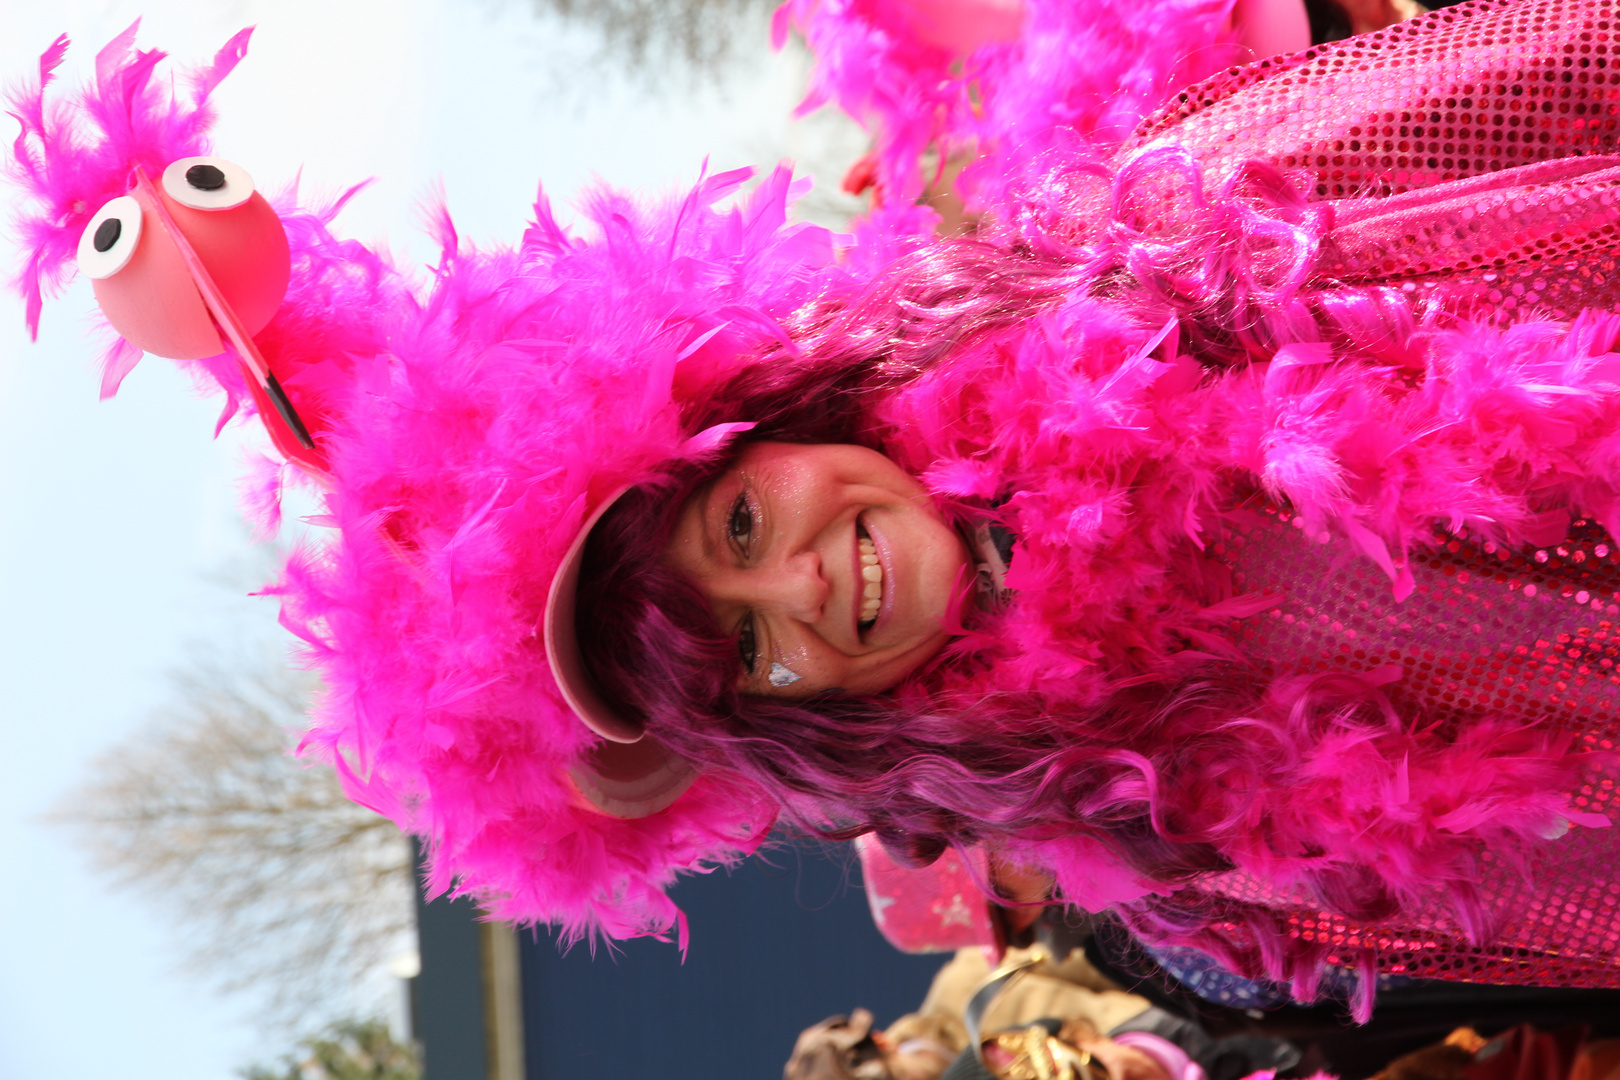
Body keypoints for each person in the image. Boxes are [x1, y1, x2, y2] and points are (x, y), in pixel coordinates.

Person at [10, 0, 1620, 1019]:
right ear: (800, 724)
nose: (803, 585)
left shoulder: (1173, 244)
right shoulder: (1158, 833)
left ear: (757, 432)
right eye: (754, 655)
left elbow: (1559, 85)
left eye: (730, 534)